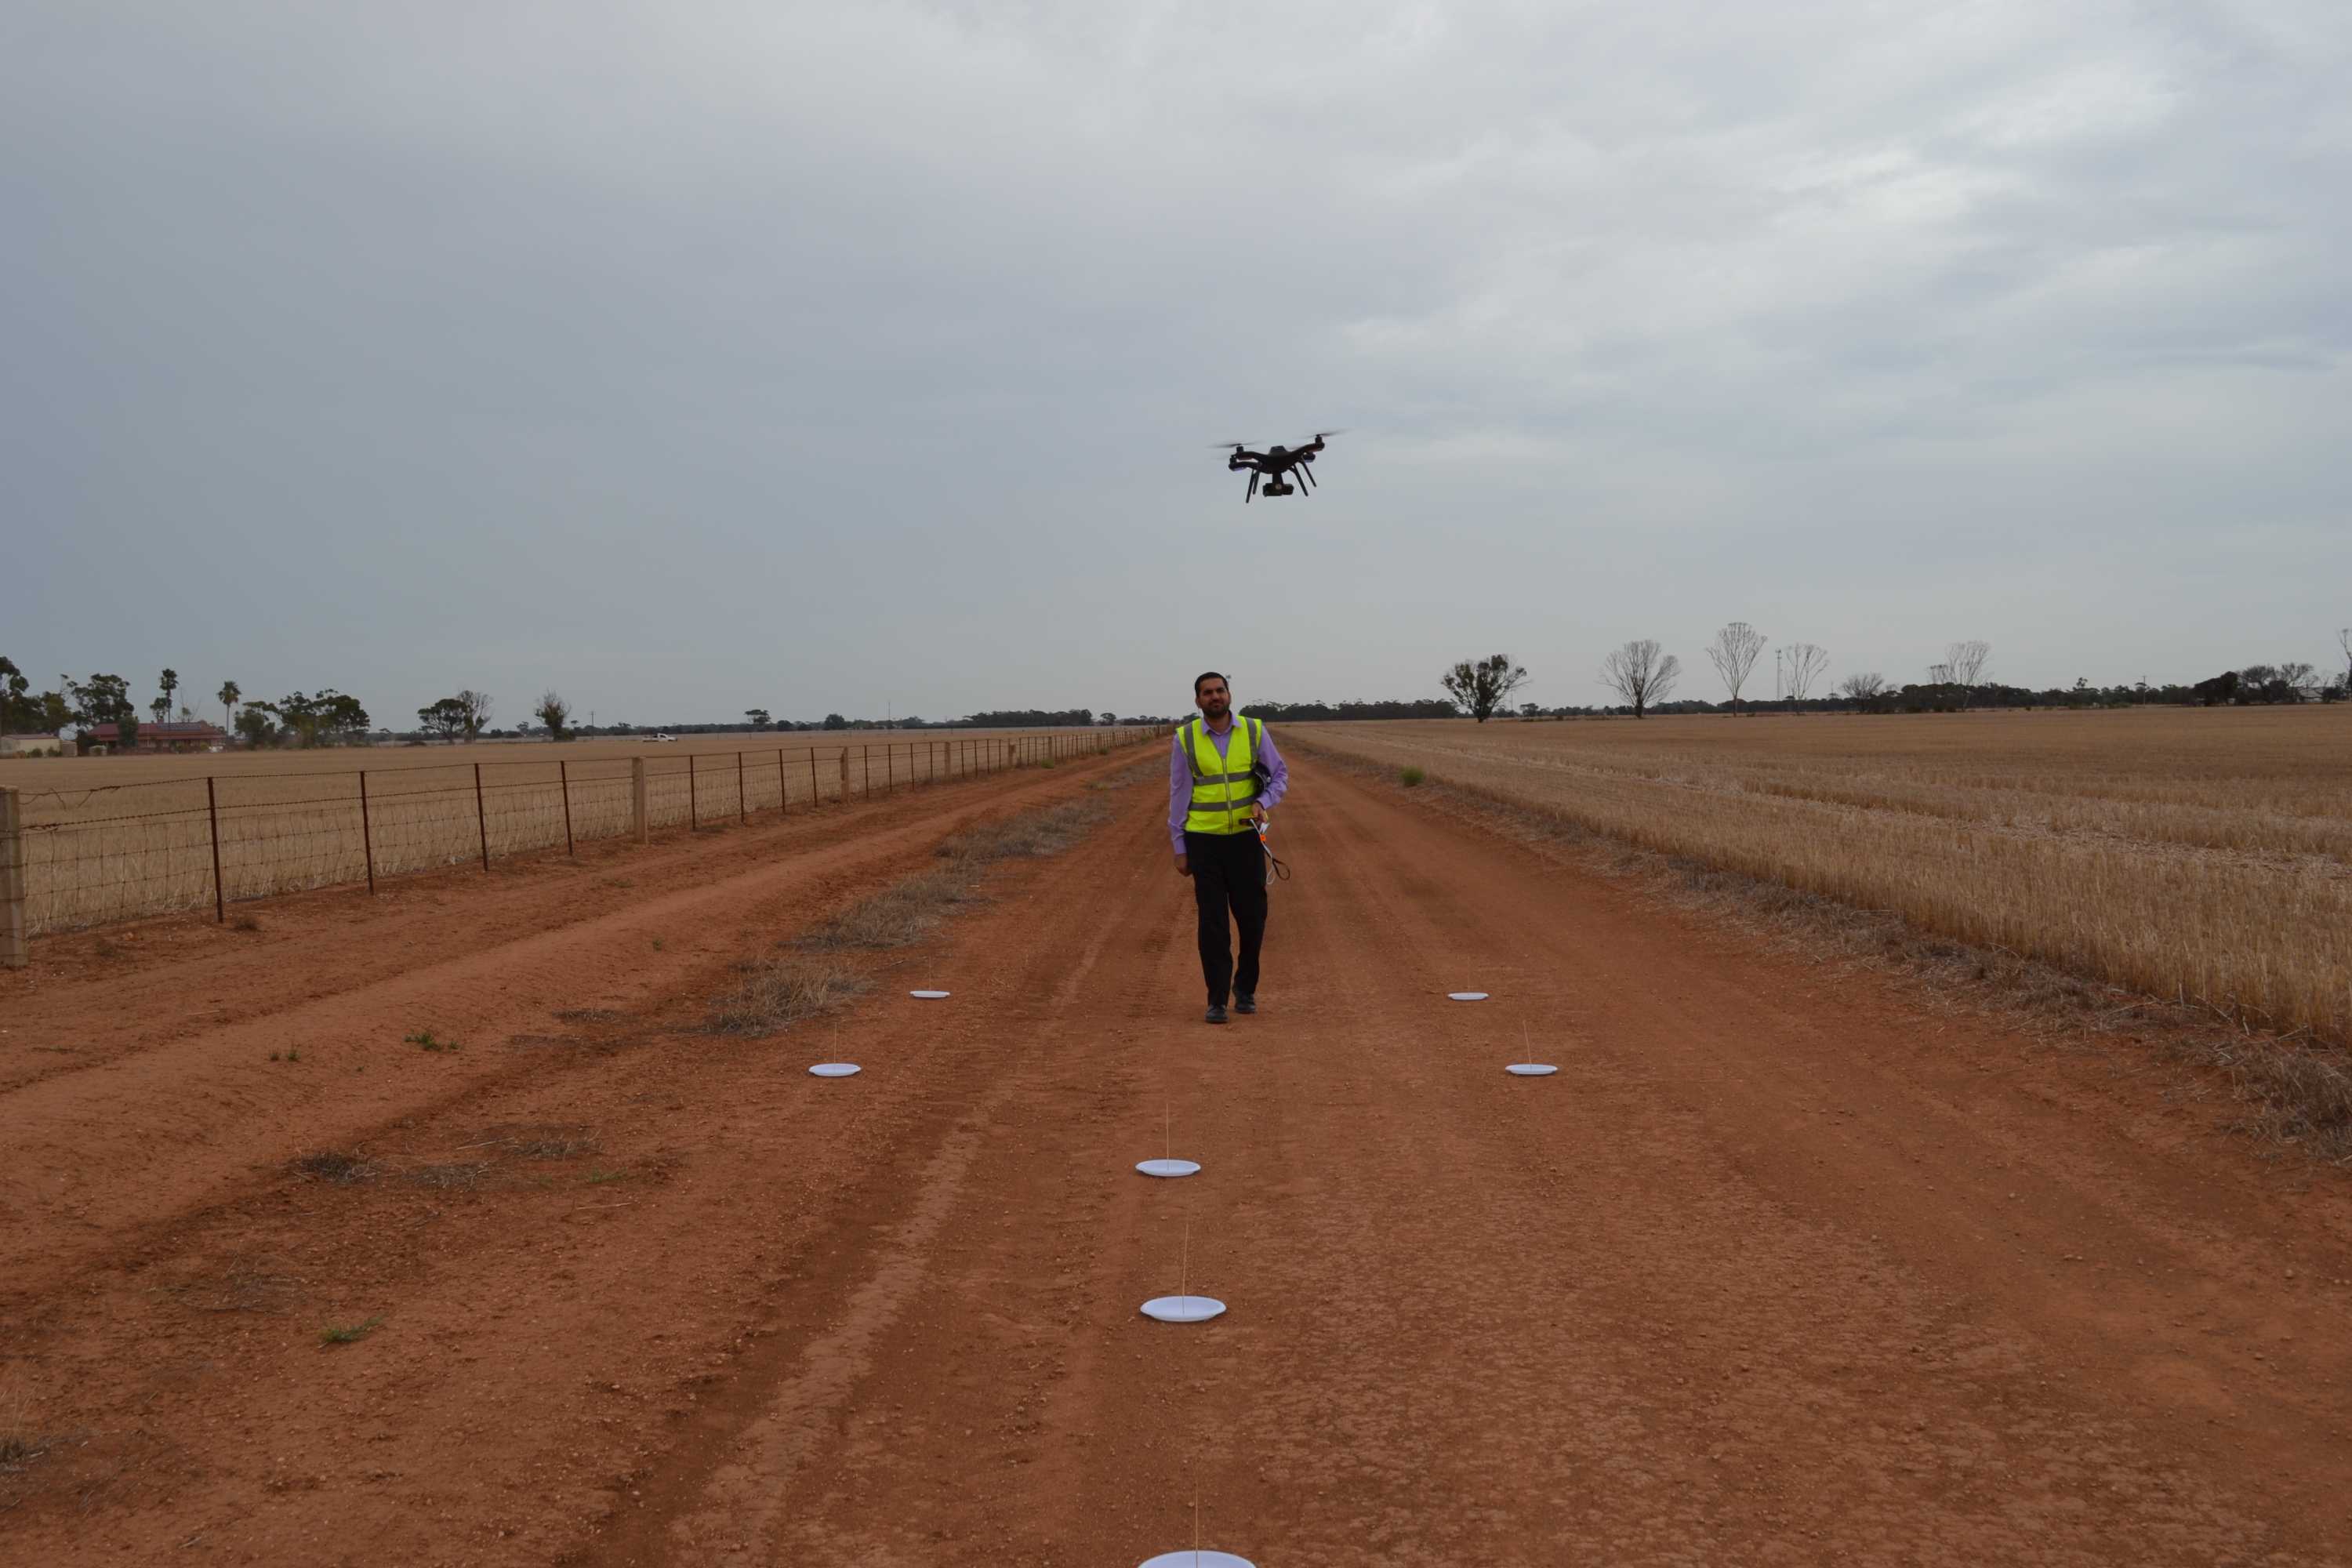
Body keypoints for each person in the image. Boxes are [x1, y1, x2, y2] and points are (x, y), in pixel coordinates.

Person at [1171, 671, 1288, 1024]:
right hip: (1203, 841)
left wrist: (1263, 800)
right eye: (1207, 693)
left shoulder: (1253, 730)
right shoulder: (1185, 738)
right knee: (1213, 924)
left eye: (1220, 690)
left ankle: (1246, 990)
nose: (1215, 696)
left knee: (1253, 920)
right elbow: (1179, 793)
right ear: (1198, 701)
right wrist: (1179, 845)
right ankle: (1217, 999)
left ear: (1229, 694)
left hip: (1244, 838)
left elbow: (1279, 774)